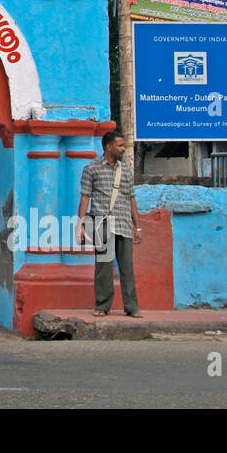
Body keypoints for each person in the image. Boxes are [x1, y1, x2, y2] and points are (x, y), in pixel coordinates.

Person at [75, 130, 143, 318]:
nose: (123, 149)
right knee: (103, 267)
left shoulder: (126, 170)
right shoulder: (92, 169)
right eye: (120, 145)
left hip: (123, 224)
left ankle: (132, 307)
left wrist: (137, 227)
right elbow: (85, 197)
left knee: (127, 268)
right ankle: (102, 306)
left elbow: (131, 199)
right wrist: (80, 223)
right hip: (102, 223)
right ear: (109, 147)